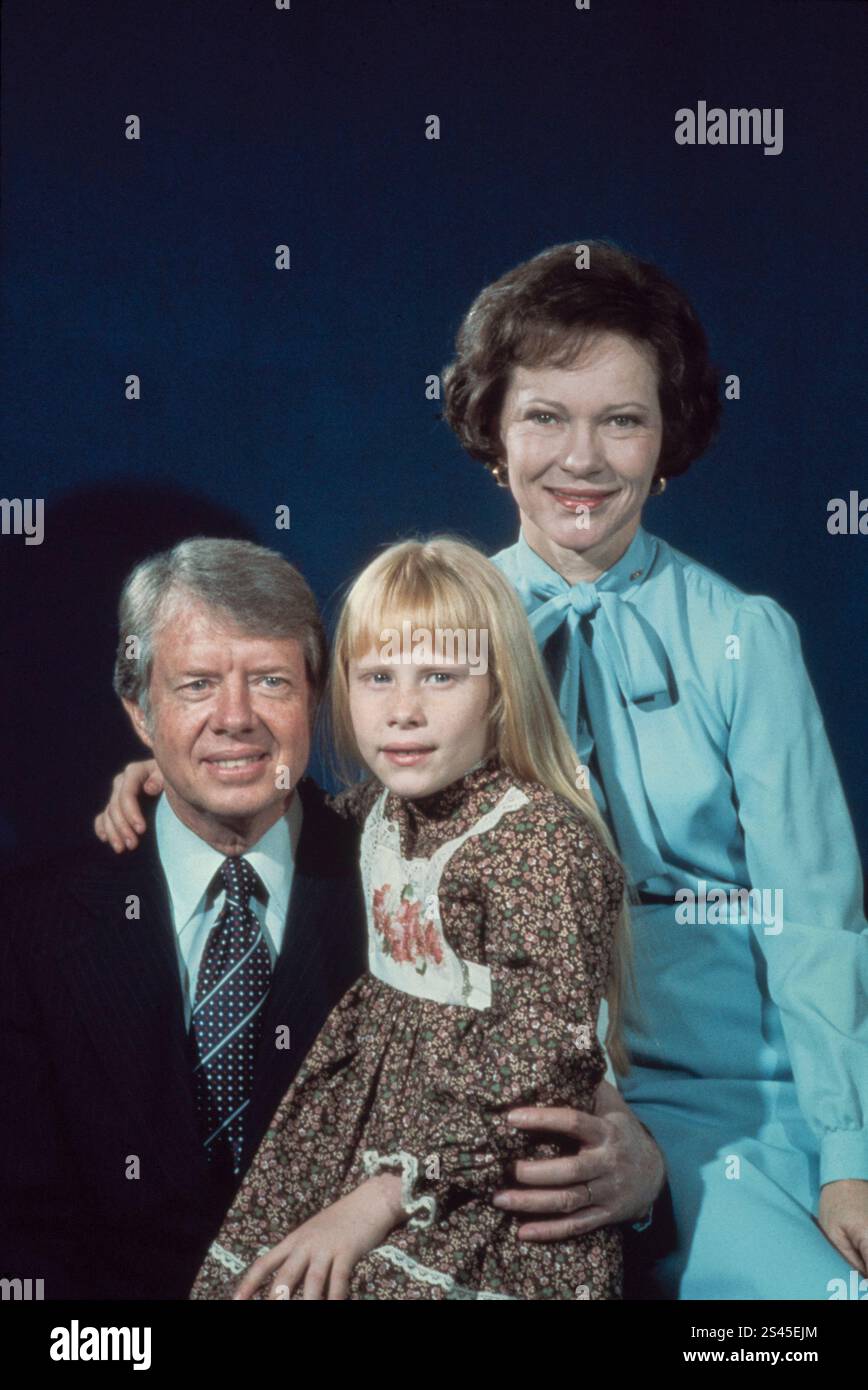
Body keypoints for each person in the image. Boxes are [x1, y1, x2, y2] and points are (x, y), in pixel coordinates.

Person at [437, 238, 868, 1297]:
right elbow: (355, 847)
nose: (580, 458)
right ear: (494, 432)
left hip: (727, 1103)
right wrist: (200, 797)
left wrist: (849, 1154)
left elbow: (814, 916)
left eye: (620, 420)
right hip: (504, 1103)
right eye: (545, 415)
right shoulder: (439, 627)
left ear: (666, 440)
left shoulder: (743, 636)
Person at [187, 535, 627, 1300]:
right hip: (361, 1147)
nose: (404, 711)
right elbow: (292, 819)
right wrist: (168, 782)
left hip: (484, 1170)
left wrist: (382, 1198)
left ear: (497, 692)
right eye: (378, 677)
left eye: (440, 677)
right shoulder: (381, 812)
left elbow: (542, 1057)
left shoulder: (540, 841)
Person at [0, 538, 366, 1298]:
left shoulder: (403, 885)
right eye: (197, 684)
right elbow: (24, 1224)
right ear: (140, 712)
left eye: (270, 681)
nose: (236, 719)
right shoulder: (29, 927)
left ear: (315, 697)